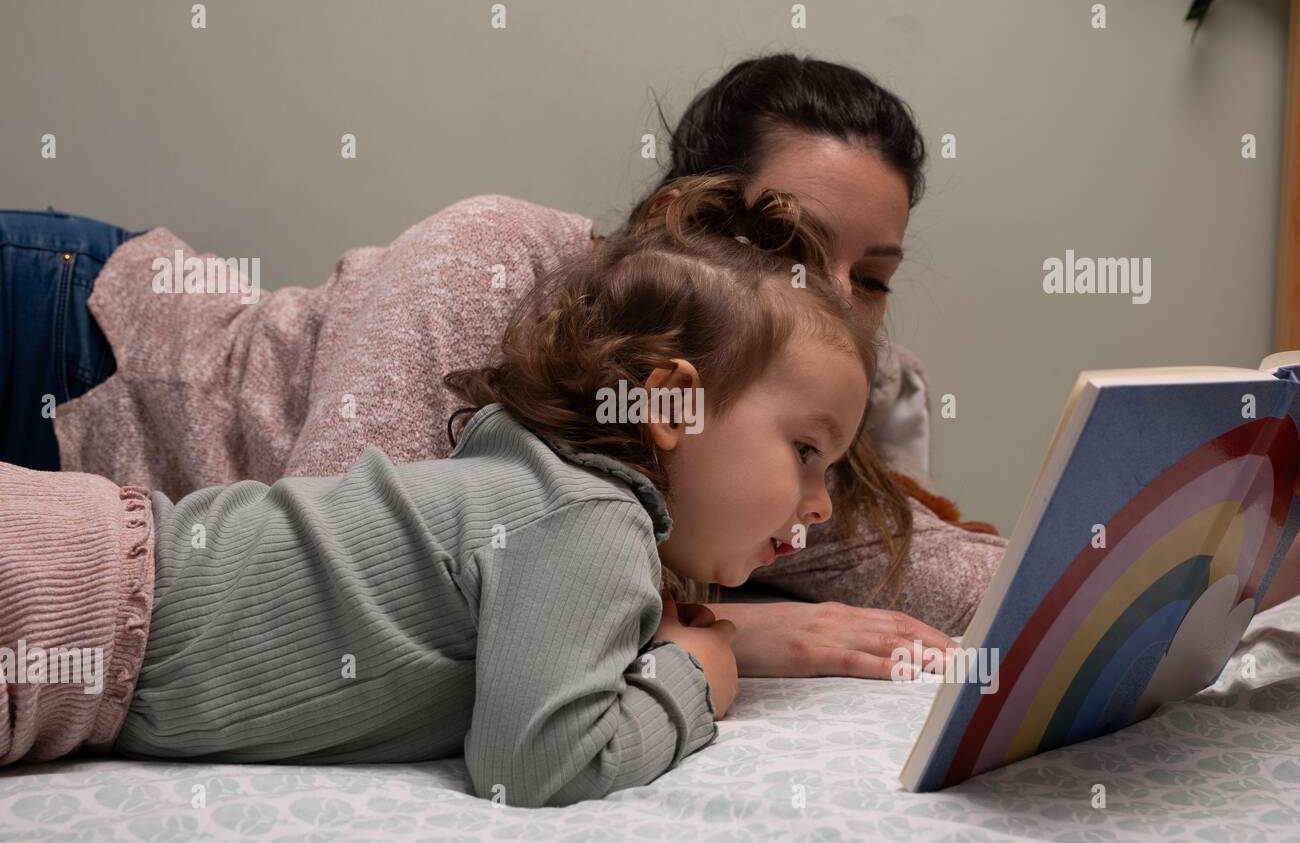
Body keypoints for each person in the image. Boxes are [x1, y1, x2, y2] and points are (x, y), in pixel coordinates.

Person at [3, 54, 1008, 678]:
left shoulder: (767, 424)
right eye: (794, 245)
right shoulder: (496, 256)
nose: (835, 300)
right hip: (74, 341)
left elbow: (941, 572)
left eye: (871, 278)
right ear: (683, 217)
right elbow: (354, 599)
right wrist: (722, 634)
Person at [0, 175, 956, 808]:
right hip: (66, 605)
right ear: (671, 404)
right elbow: (540, 763)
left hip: (79, 566)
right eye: (806, 452)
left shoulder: (521, 472)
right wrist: (689, 683)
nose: (821, 502)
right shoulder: (589, 520)